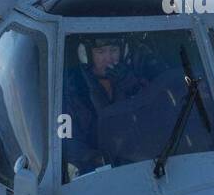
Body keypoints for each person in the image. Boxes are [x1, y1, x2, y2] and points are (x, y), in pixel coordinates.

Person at [62, 35, 149, 175]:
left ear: (123, 51)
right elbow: (67, 141)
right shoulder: (71, 88)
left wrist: (134, 88)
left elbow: (155, 117)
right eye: (100, 52)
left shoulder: (135, 79)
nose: (109, 58)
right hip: (96, 173)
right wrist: (94, 160)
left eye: (114, 50)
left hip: (141, 165)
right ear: (85, 54)